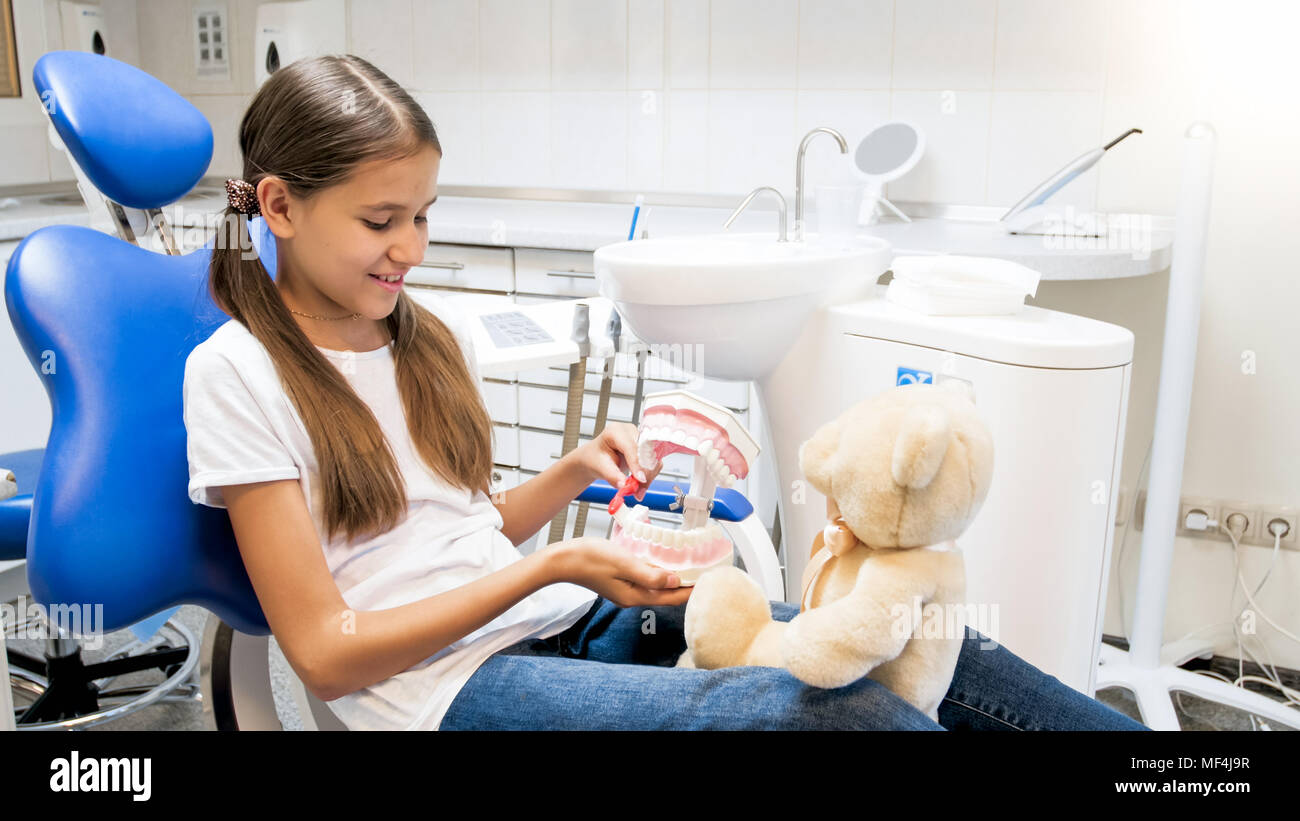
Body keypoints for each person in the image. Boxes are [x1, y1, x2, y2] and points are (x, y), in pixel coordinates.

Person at [183, 54, 1148, 732]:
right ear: (279, 205)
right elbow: (323, 650)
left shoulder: (423, 338)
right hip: (442, 692)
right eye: (381, 220)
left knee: (902, 644)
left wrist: (566, 479)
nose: (413, 249)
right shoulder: (236, 375)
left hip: (556, 628)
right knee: (821, 713)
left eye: (425, 216)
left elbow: (458, 531)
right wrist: (547, 569)